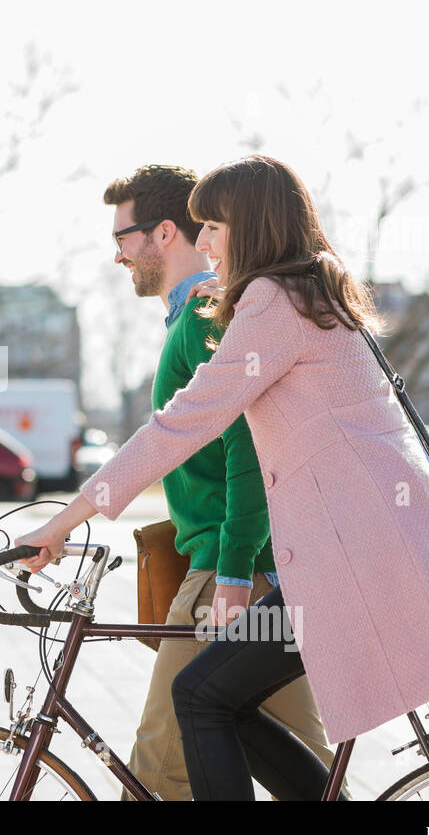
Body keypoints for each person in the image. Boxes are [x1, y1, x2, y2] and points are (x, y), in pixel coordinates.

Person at [16, 155, 429, 800]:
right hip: (371, 542)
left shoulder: (272, 302)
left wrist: (62, 522)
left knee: (200, 697)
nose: (203, 239)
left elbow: (180, 426)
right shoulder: (304, 289)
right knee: (224, 703)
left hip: (355, 551)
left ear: (252, 225)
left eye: (213, 225)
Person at [102, 164, 341, 801]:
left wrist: (231, 574)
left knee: (159, 776)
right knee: (309, 774)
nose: (118, 254)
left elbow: (245, 456)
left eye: (124, 237)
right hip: (259, 571)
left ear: (164, 233)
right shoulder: (203, 317)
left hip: (230, 572)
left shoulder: (210, 316)